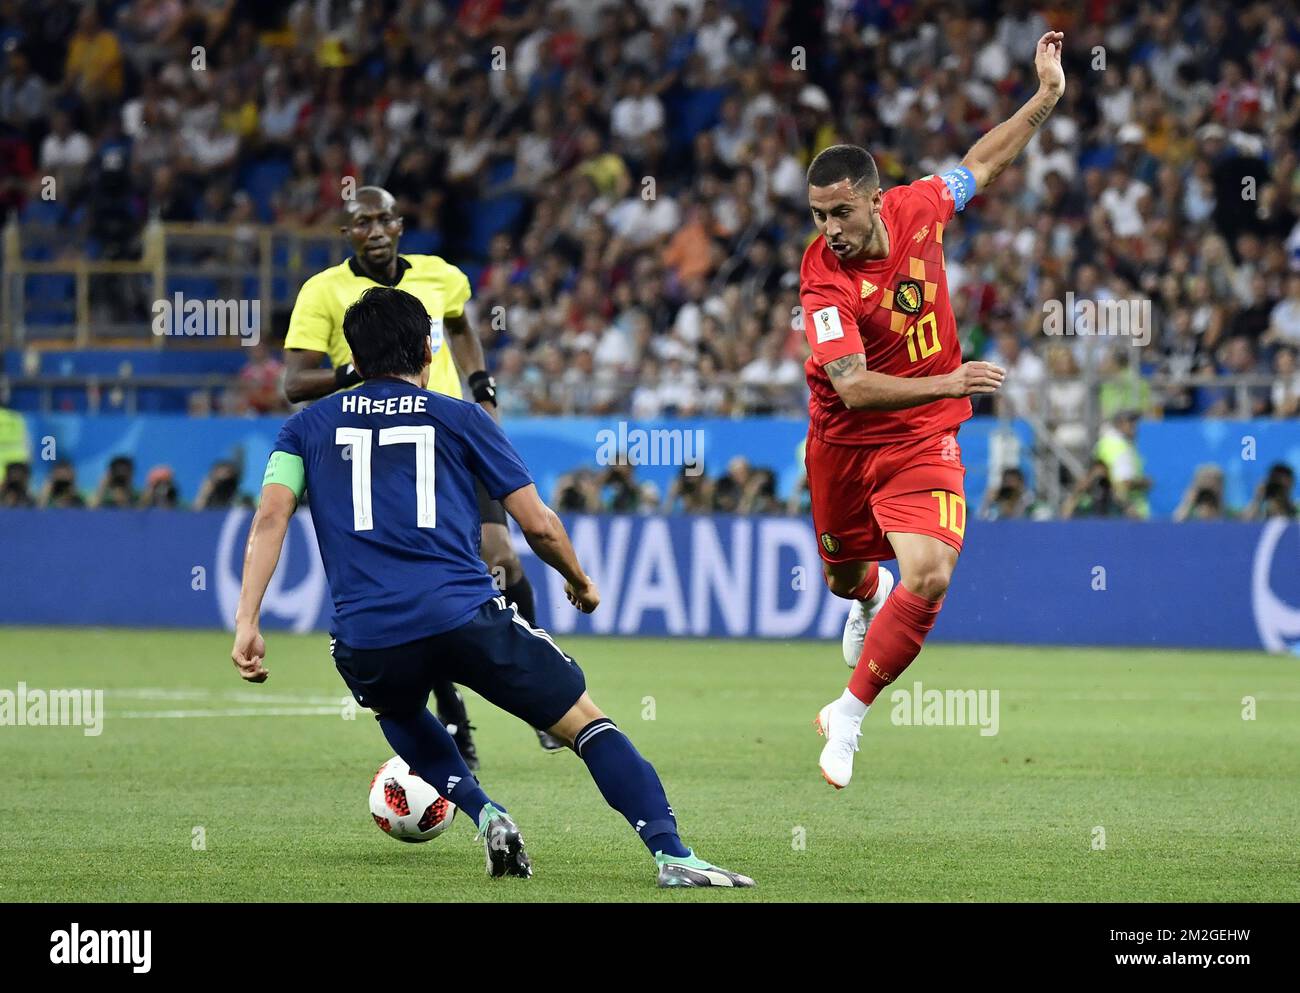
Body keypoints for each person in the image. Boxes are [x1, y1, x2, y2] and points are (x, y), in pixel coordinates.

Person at [230, 287, 753, 889]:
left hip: (369, 635)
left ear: (354, 356)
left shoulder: (302, 430)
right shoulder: (461, 417)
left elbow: (269, 519)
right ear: (427, 353)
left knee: (397, 708)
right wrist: (579, 582)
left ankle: (485, 812)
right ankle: (672, 855)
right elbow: (537, 523)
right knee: (586, 725)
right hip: (463, 615)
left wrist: (248, 620)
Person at [798, 31, 1066, 789]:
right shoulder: (823, 282)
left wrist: (1044, 97)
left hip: (921, 437)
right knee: (846, 576)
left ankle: (847, 716)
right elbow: (851, 385)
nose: (829, 230)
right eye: (818, 215)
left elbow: (984, 161)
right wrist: (950, 381)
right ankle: (867, 596)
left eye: (840, 213)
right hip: (846, 441)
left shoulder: (921, 207)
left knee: (933, 572)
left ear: (874, 200)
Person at [281, 185, 558, 763]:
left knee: (502, 558)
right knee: (420, 585)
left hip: (451, 440)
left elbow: (458, 325)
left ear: (401, 224)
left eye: (385, 219)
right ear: (348, 233)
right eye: (363, 222)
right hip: (385, 457)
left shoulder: (440, 277)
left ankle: (544, 694)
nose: (375, 230)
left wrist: (480, 385)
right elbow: (292, 384)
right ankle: (452, 716)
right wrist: (357, 372)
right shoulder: (323, 292)